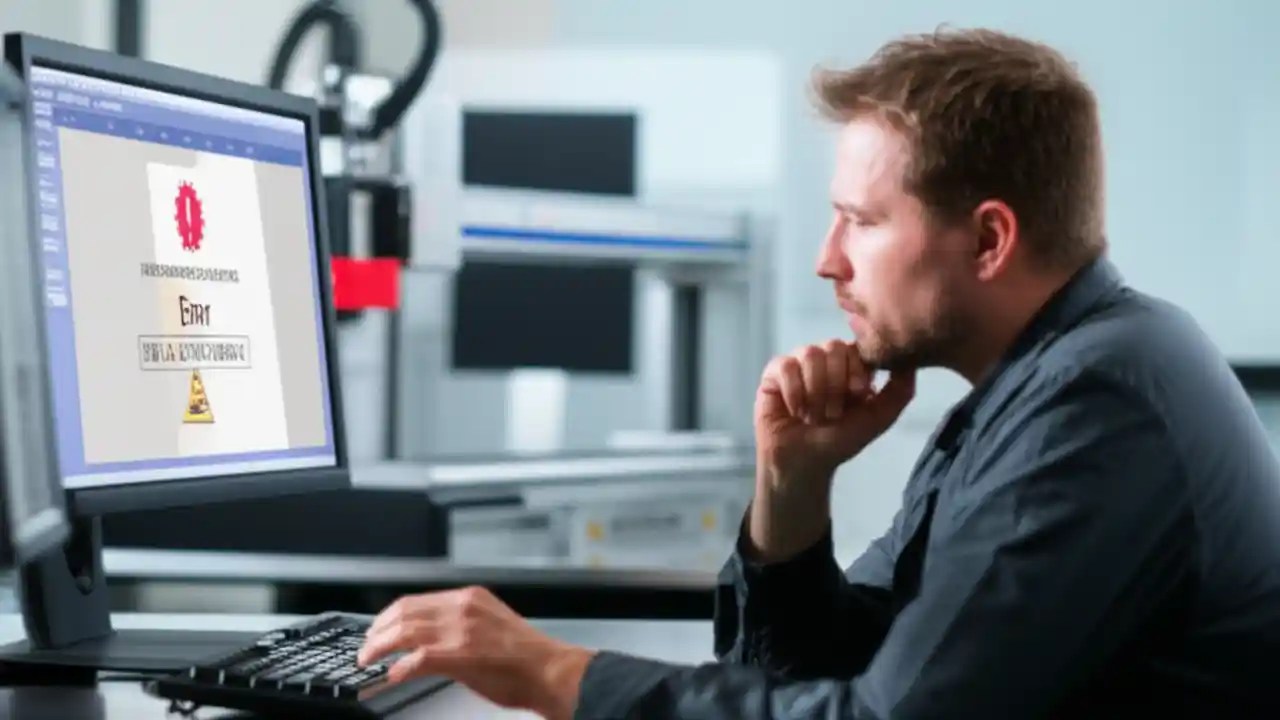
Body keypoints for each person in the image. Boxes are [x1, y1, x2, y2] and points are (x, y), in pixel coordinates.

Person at [356, 27, 1280, 719]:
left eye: (862, 221)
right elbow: (828, 670)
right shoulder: (1033, 386)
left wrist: (549, 672)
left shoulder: (1094, 403)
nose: (827, 260)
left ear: (990, 240)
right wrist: (792, 492)